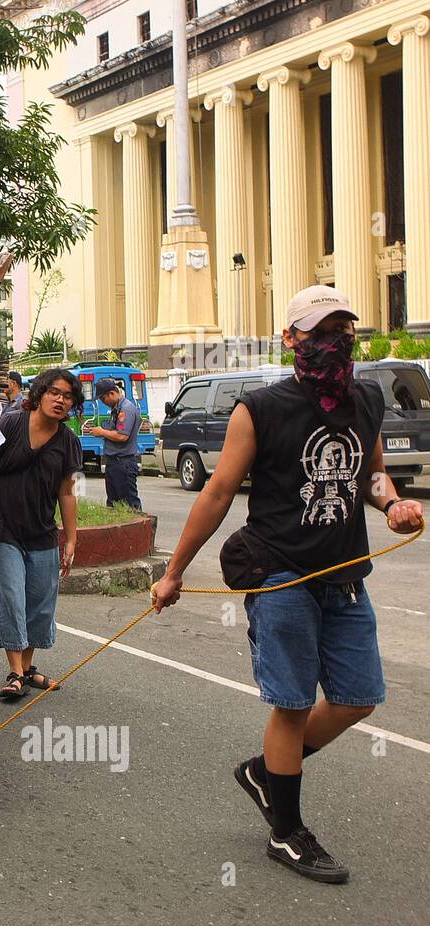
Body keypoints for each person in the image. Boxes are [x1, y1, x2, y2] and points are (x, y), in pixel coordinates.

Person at [152, 285, 424, 885]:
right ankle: (287, 832)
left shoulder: (366, 399)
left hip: (346, 576)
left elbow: (373, 473)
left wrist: (393, 503)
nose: (334, 341)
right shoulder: (261, 408)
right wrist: (173, 572)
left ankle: (265, 774)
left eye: (342, 331)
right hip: (281, 576)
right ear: (290, 340)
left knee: (358, 697)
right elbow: (218, 492)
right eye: (319, 331)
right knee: (293, 705)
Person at [0, 368, 83, 701]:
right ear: (40, 393)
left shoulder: (68, 442)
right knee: (12, 600)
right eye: (54, 393)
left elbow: (66, 492)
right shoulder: (12, 423)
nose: (60, 400)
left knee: (40, 604)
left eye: (67, 396)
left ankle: (29, 667)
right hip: (1, 525)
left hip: (42, 531)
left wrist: (72, 538)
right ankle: (15, 672)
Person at [84, 377, 142, 510]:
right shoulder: (116, 409)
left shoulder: (126, 409)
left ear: (112, 393)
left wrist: (102, 432)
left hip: (123, 462)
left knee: (129, 504)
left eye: (103, 398)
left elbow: (122, 436)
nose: (103, 402)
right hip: (114, 462)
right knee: (113, 504)